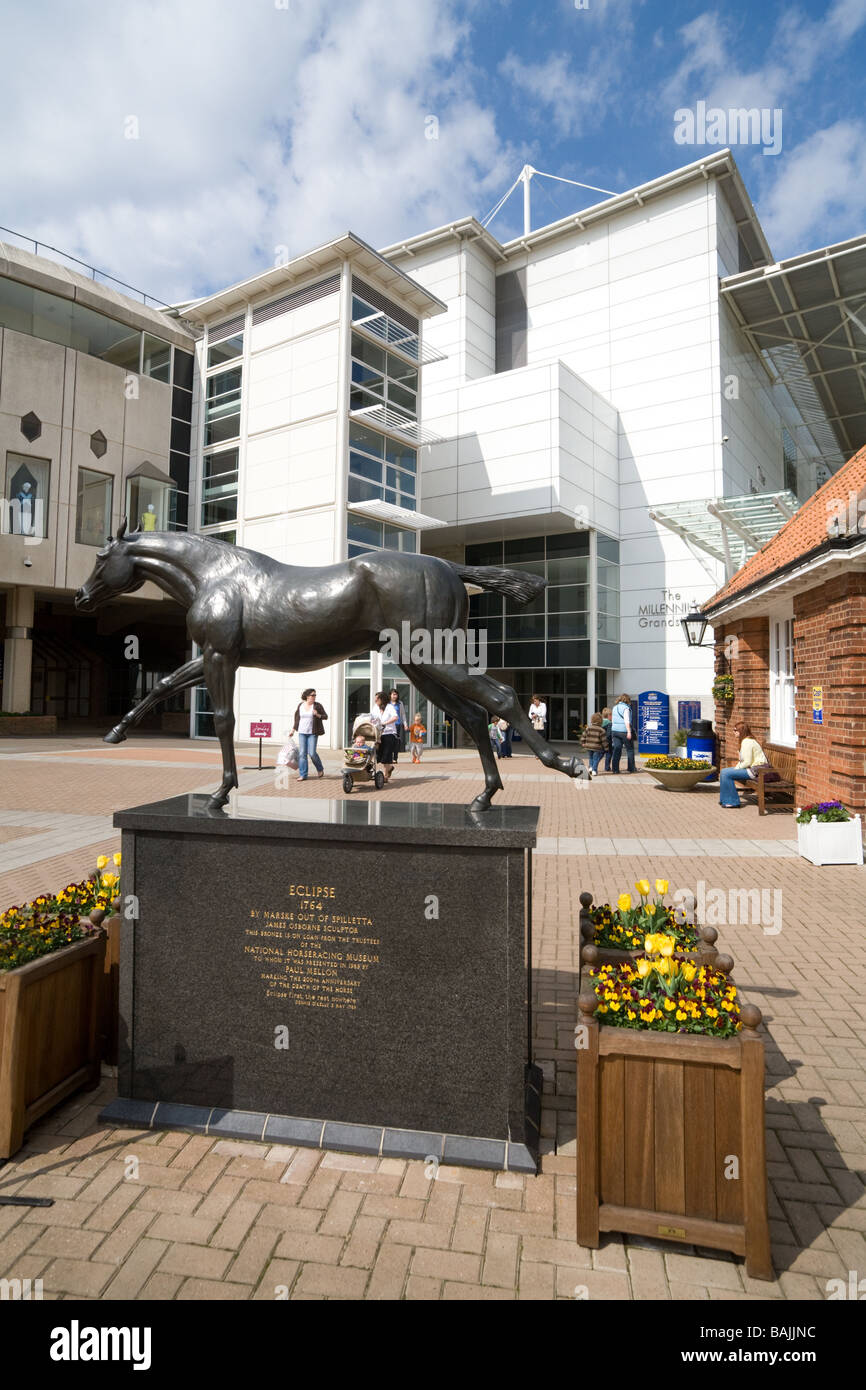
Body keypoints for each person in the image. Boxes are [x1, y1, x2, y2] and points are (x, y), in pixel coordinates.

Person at [719, 722, 768, 808]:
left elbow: (747, 762)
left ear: (741, 731)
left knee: (726, 773)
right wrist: (737, 767)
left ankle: (732, 802)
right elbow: (743, 760)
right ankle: (725, 799)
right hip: (752, 769)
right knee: (724, 771)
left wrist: (736, 769)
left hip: (757, 771)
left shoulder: (747, 742)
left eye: (735, 730)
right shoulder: (746, 741)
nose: (734, 732)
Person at [292, 688, 328, 781]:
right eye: (313, 695)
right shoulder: (300, 705)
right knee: (302, 754)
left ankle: (320, 769)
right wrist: (293, 730)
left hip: (313, 733)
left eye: (315, 695)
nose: (314, 697)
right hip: (302, 733)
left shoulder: (317, 706)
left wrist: (318, 715)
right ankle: (303, 775)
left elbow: (325, 716)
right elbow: (297, 719)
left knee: (312, 753)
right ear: (307, 696)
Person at [375, 691, 399, 781]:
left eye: (377, 699)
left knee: (387, 755)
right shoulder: (376, 708)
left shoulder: (389, 707)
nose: (375, 701)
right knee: (380, 756)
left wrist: (385, 723)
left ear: (382, 699)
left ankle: (385, 776)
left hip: (389, 733)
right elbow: (372, 717)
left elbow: (395, 717)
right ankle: (390, 768)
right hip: (379, 734)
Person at [610, 694, 636, 774]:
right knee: (630, 750)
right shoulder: (626, 708)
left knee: (617, 750)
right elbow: (627, 721)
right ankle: (631, 768)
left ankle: (615, 769)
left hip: (614, 731)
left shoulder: (614, 707)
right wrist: (629, 732)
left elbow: (613, 720)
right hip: (624, 731)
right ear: (627, 700)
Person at [582, 711, 607, 777]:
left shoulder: (588, 728)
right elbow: (604, 740)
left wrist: (583, 742)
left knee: (591, 757)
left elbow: (584, 735)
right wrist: (606, 747)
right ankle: (594, 770)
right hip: (597, 747)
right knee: (595, 759)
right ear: (601, 721)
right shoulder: (601, 730)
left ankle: (590, 767)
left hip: (589, 746)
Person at [390, 689, 409, 759]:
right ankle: (390, 757)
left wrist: (405, 724)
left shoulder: (400, 703)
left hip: (398, 725)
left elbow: (403, 714)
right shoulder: (387, 703)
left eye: (396, 694)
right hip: (389, 725)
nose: (395, 696)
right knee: (390, 741)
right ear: (390, 695)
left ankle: (395, 757)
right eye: (393, 694)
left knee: (396, 741)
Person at [601, 707, 613, 773]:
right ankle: (607, 767)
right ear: (609, 715)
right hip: (607, 741)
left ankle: (593, 765)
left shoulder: (600, 722)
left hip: (601, 741)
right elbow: (609, 734)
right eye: (611, 715)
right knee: (609, 754)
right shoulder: (609, 723)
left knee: (600, 754)